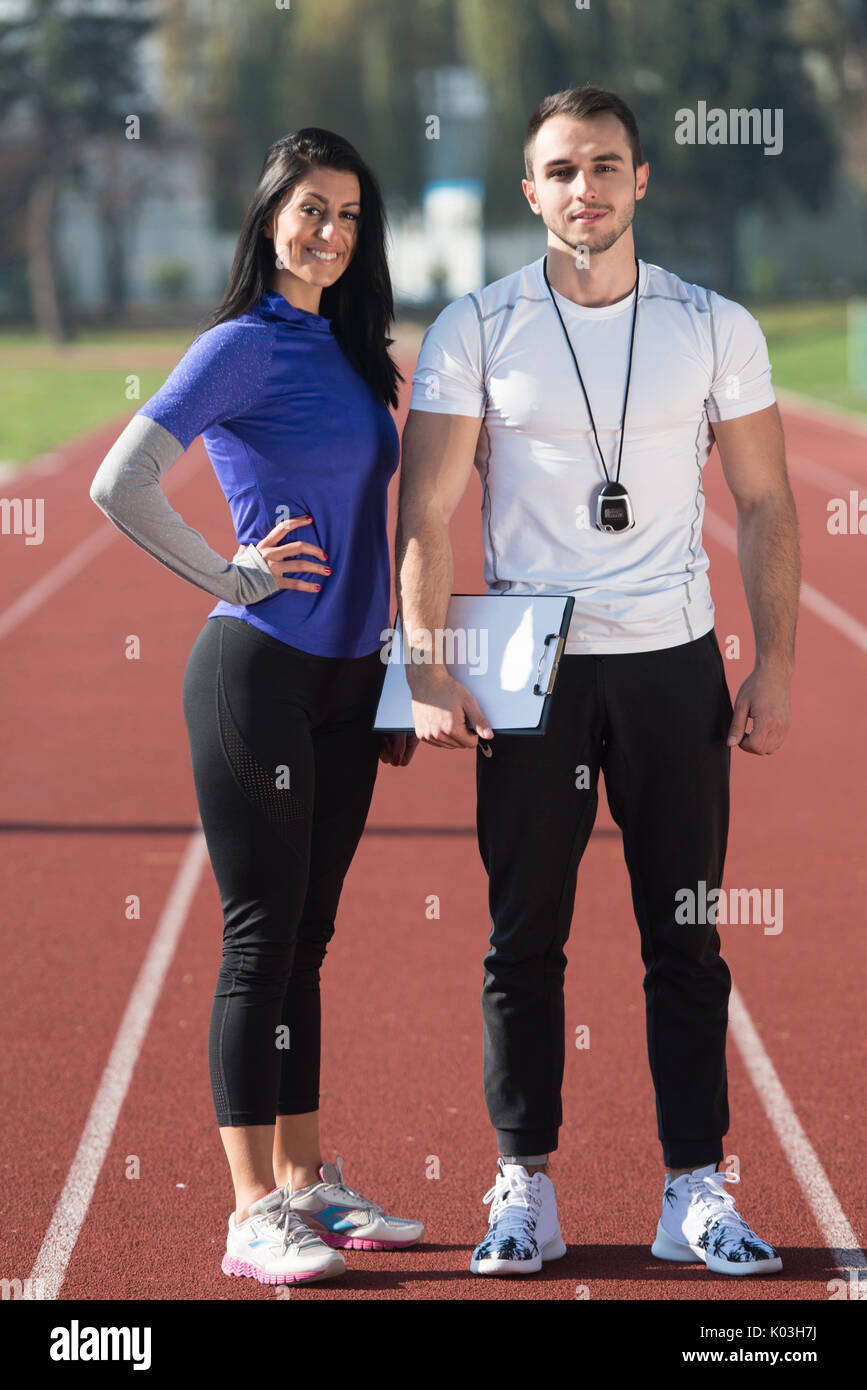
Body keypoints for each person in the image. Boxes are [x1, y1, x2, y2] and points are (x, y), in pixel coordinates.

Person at [396, 86, 798, 1277]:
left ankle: (695, 1187)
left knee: (687, 937)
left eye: (607, 167)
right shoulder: (476, 325)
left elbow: (770, 500)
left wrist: (774, 665)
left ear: (640, 184)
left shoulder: (713, 322)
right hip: (526, 657)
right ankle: (525, 1184)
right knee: (523, 938)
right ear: (533, 191)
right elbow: (423, 505)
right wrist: (424, 664)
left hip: (673, 655)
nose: (587, 188)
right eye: (563, 169)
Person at [90, 128, 423, 1287]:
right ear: (269, 212)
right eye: (310, 209)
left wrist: (391, 671)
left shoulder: (350, 350)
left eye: (347, 215)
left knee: (309, 945)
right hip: (259, 670)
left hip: (345, 681)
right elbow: (118, 481)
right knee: (259, 940)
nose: (328, 232)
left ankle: (306, 1184)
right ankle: (247, 1212)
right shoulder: (237, 343)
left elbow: (377, 519)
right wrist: (230, 572)